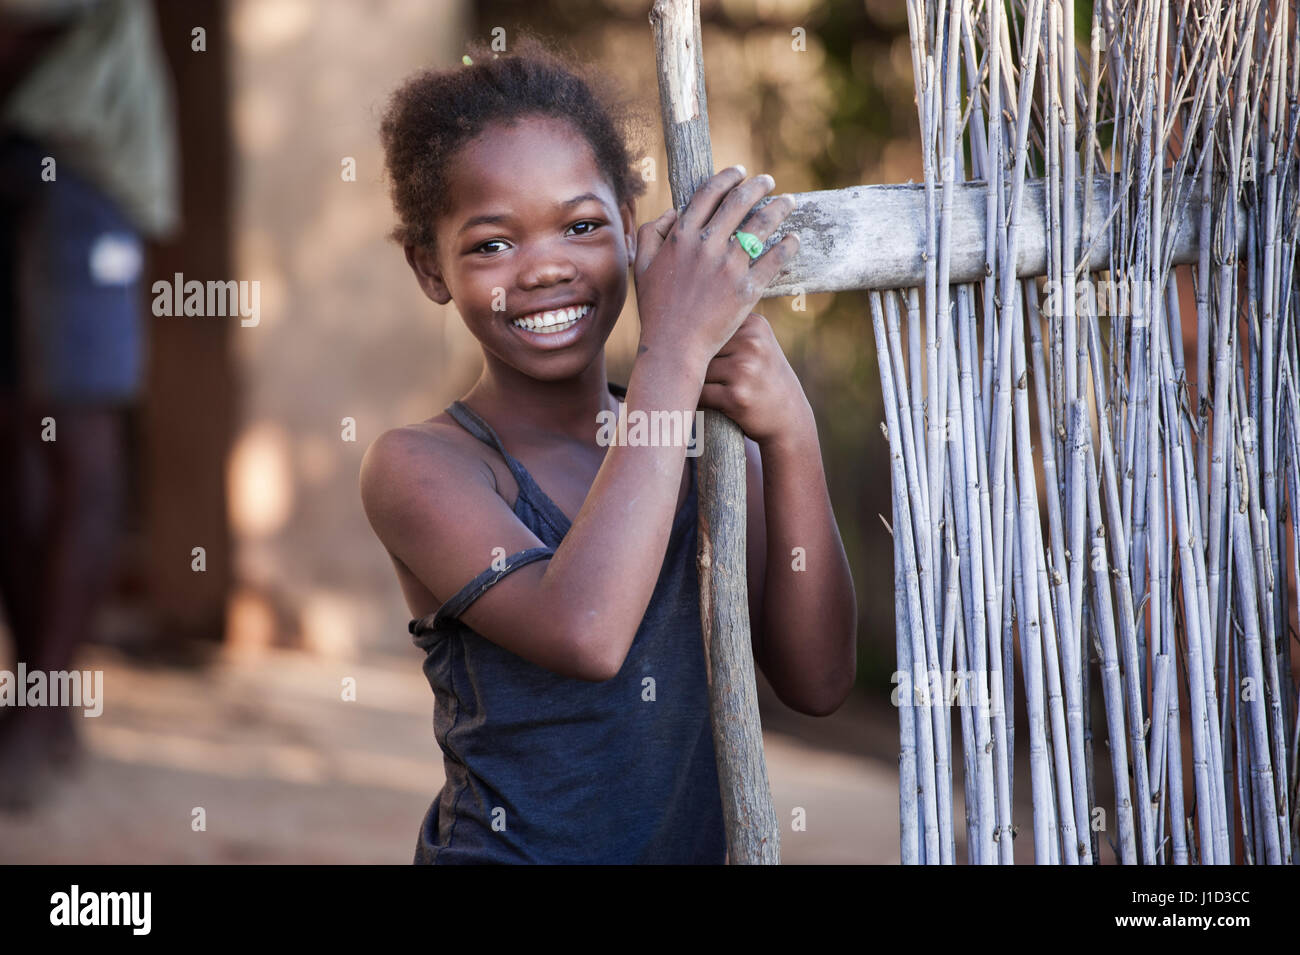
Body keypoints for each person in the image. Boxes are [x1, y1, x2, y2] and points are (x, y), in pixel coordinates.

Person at [360, 32, 857, 864]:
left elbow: (818, 682)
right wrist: (673, 352)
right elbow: (587, 632)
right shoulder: (422, 467)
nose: (544, 267)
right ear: (428, 266)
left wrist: (791, 432)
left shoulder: (707, 445)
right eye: (492, 243)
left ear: (629, 229)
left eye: (581, 225)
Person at [0, 0, 179, 809]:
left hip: (76, 175)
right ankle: (43, 697)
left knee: (78, 442)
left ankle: (39, 711)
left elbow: (31, 20)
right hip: (21, 169)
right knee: (16, 440)